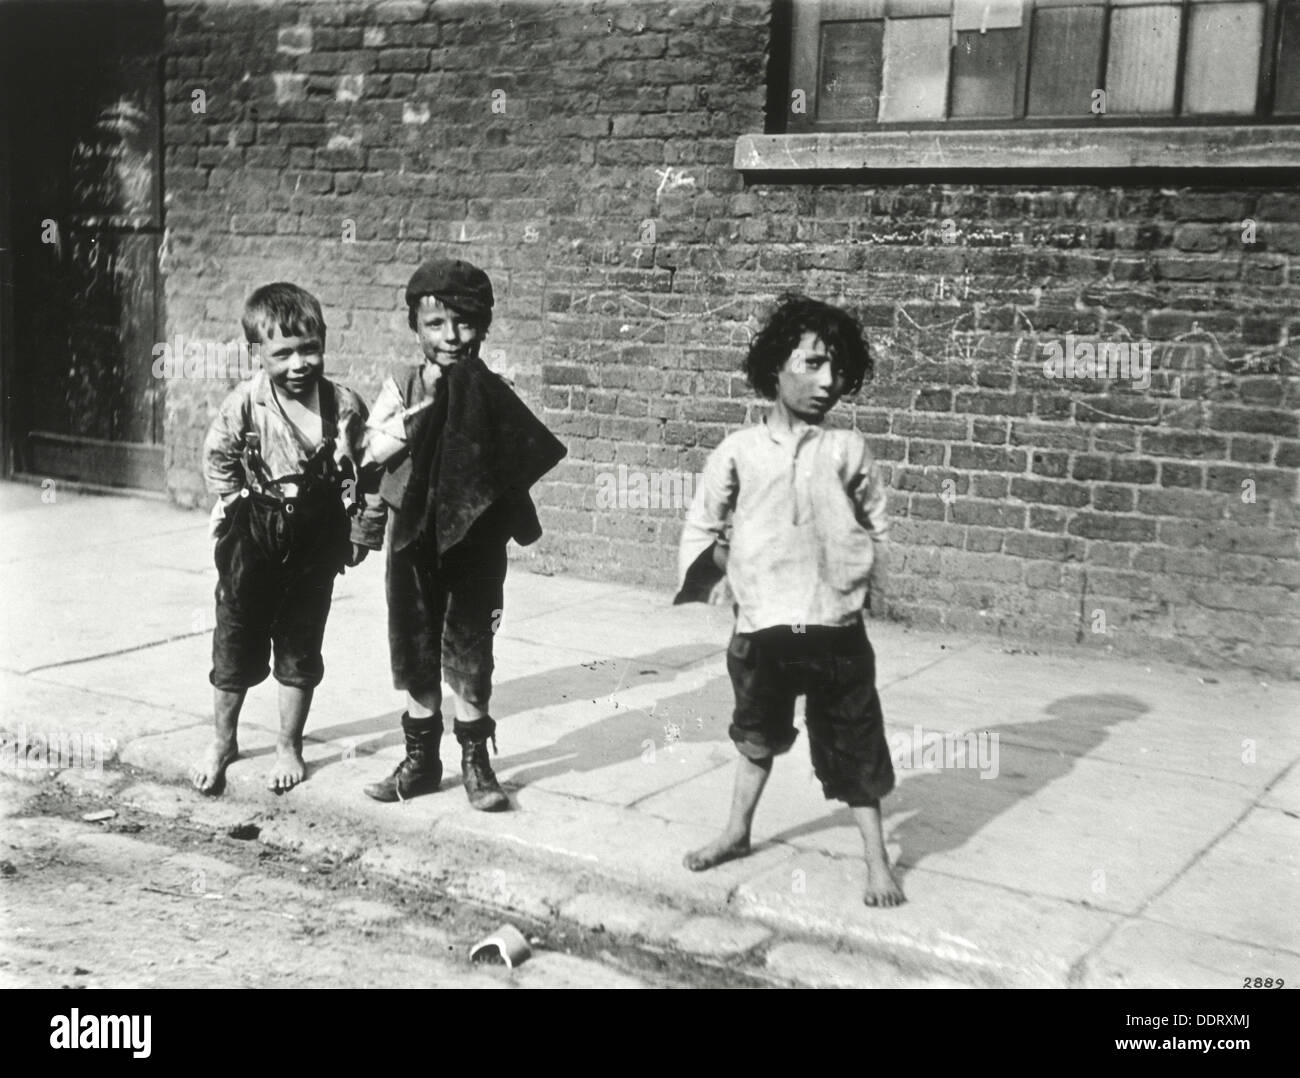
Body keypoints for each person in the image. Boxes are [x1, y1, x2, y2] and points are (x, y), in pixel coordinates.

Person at [674, 293, 904, 907]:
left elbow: (878, 527)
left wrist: (857, 578)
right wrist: (736, 570)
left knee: (855, 744)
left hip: (835, 631)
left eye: (836, 369)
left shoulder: (847, 450)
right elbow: (701, 527)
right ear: (775, 367)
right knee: (756, 735)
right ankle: (736, 830)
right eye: (811, 364)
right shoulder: (739, 451)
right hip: (763, 630)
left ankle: (877, 861)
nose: (826, 382)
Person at [360, 257, 565, 811]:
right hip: (410, 534)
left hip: (473, 540)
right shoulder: (402, 384)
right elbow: (371, 450)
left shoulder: (493, 389)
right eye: (435, 325)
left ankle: (476, 761)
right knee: (413, 642)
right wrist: (422, 404)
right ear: (415, 327)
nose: (451, 337)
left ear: (484, 326)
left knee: (472, 647)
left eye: (465, 324)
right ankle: (421, 761)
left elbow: (512, 460)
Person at [190, 283, 382, 795]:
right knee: (234, 639)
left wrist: (360, 533)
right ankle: (223, 740)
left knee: (300, 644)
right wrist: (232, 508)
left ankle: (288, 745)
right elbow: (217, 457)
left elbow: (366, 476)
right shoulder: (246, 404)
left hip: (313, 543)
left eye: (310, 348)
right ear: (257, 353)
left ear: (323, 342)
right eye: (283, 353)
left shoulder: (342, 406)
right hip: (253, 535)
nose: (299, 363)